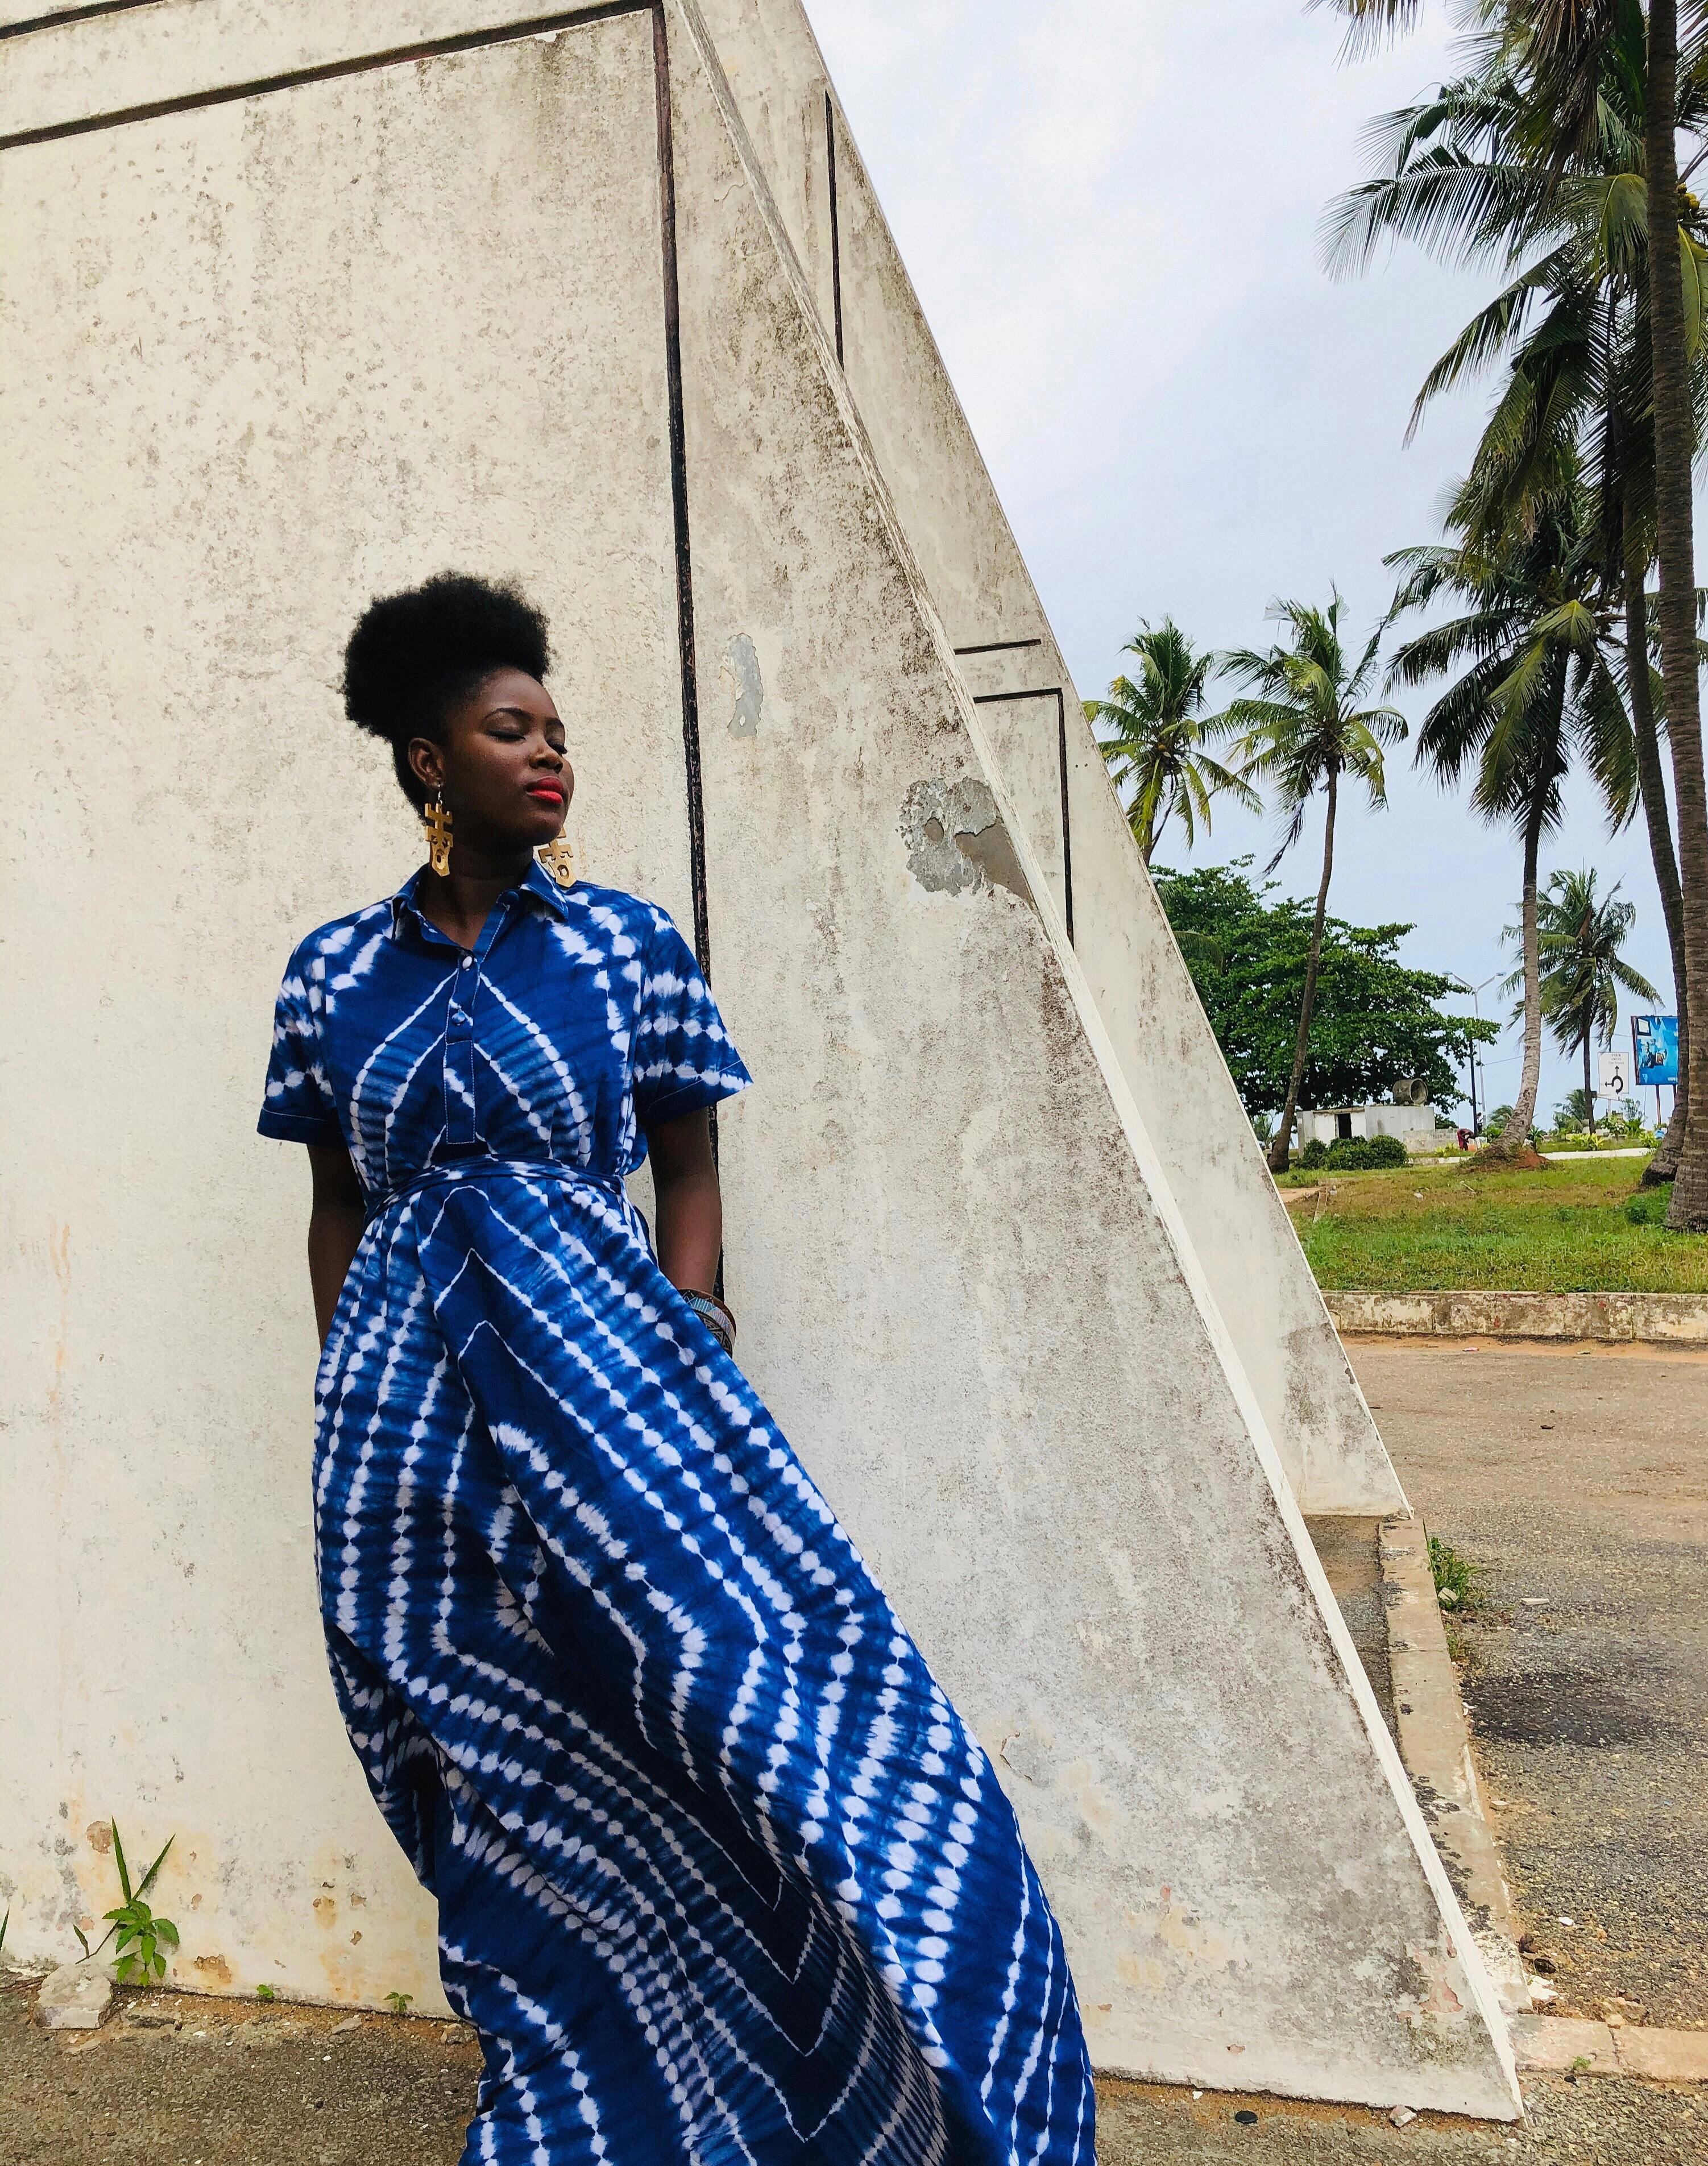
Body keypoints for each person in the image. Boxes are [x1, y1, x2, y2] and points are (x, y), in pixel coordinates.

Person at [258, 573, 1094, 2166]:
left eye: (560, 730)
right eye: (512, 729)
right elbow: (338, 1207)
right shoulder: (328, 977)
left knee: (754, 1695)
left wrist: (687, 1334)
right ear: (430, 761)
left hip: (620, 1390)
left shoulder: (627, 944)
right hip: (407, 1420)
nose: (550, 754)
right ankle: (587, 2066)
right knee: (488, 1749)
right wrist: (341, 1408)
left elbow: (686, 1162)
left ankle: (881, 2064)